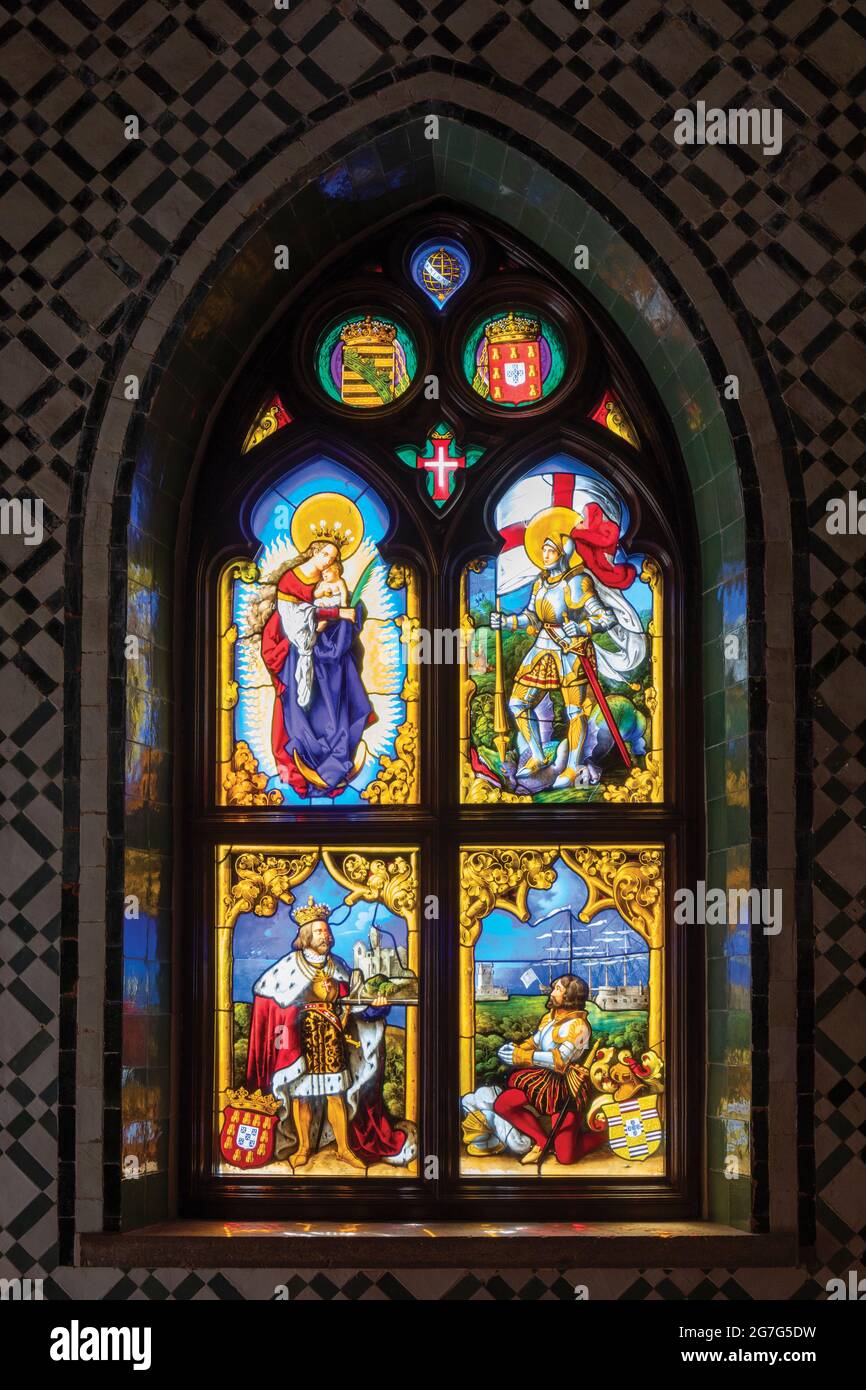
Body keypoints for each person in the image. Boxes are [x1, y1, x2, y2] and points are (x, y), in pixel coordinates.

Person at [245, 898, 414, 1169]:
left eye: (327, 931)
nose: (327, 936)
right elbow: (273, 1007)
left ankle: (344, 1148)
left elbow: (354, 1008)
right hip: (302, 1046)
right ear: (306, 936)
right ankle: (303, 1148)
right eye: (320, 932)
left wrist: (376, 1009)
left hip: (333, 1041)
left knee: (336, 1096)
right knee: (301, 1098)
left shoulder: (338, 967)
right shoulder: (288, 969)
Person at [490, 503, 645, 789]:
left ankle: (573, 767)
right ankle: (537, 756)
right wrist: (507, 622)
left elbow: (605, 617)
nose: (543, 554)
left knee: (575, 711)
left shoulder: (578, 583)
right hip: (542, 649)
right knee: (516, 703)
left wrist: (583, 627)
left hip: (571, 652)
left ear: (564, 551)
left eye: (549, 549)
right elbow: (532, 617)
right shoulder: (540, 584)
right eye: (543, 550)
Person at [259, 519, 376, 797]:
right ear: (313, 551)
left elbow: (346, 609)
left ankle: (336, 762)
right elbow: (294, 619)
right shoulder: (290, 580)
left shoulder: (335, 581)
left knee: (340, 709)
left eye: (333, 559)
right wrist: (334, 615)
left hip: (333, 660)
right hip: (300, 656)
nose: (327, 562)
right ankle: (309, 766)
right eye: (325, 555)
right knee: (303, 713)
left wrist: (344, 607)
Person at [493, 974, 607, 1167]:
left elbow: (561, 1060)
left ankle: (605, 1136)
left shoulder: (578, 1026)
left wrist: (521, 1056)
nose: (552, 993)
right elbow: (535, 1042)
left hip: (566, 1085)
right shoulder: (551, 1018)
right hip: (542, 1078)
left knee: (566, 1157)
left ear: (569, 996)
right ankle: (543, 1142)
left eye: (558, 990)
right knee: (503, 1105)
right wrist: (515, 1049)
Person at [313, 560, 348, 633]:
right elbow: (316, 594)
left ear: (336, 572)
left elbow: (344, 593)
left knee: (332, 609)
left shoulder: (339, 582)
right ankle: (322, 621)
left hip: (334, 603)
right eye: (323, 573)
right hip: (324, 603)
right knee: (317, 602)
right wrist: (322, 592)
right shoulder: (323, 583)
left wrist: (344, 603)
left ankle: (325, 620)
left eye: (327, 572)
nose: (324, 575)